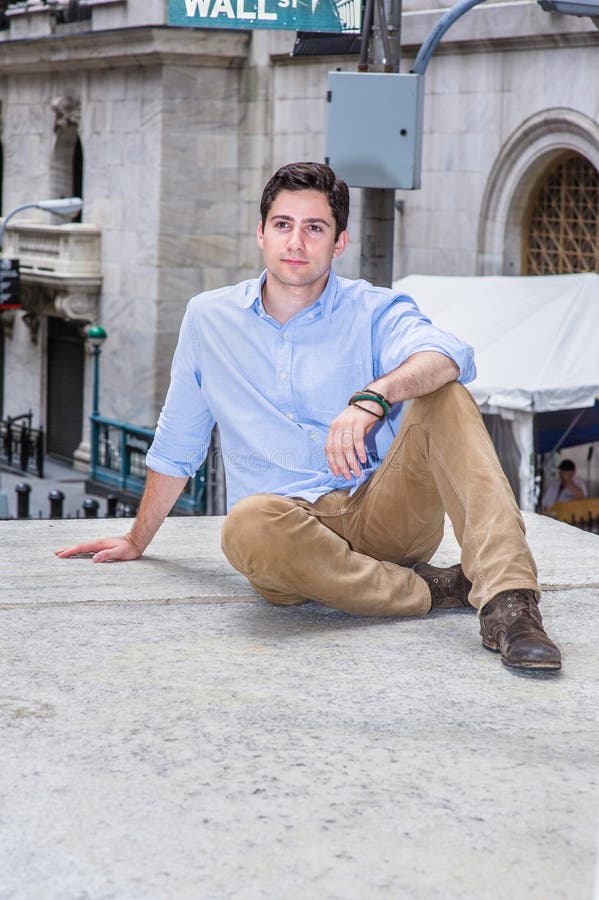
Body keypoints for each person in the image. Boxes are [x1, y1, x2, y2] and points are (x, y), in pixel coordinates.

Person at [56, 161, 561, 672]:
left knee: (444, 393)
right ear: (261, 233)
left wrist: (374, 396)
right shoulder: (208, 320)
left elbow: (451, 354)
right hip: (285, 532)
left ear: (338, 242)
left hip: (381, 510)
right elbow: (178, 444)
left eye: (314, 228)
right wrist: (136, 539)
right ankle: (433, 589)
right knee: (245, 524)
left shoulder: (373, 309)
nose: (296, 241)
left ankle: (510, 605)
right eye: (283, 225)